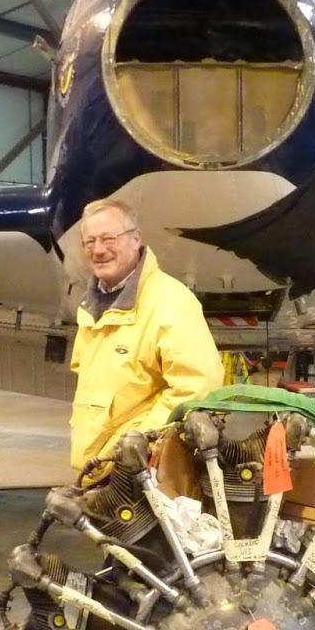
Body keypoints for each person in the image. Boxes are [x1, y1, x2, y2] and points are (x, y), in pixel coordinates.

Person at [70, 198, 224, 472]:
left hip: (146, 469)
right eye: (89, 241)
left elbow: (198, 388)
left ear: (135, 239)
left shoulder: (170, 301)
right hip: (100, 470)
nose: (98, 250)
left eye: (108, 238)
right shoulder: (91, 307)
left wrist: (140, 439)